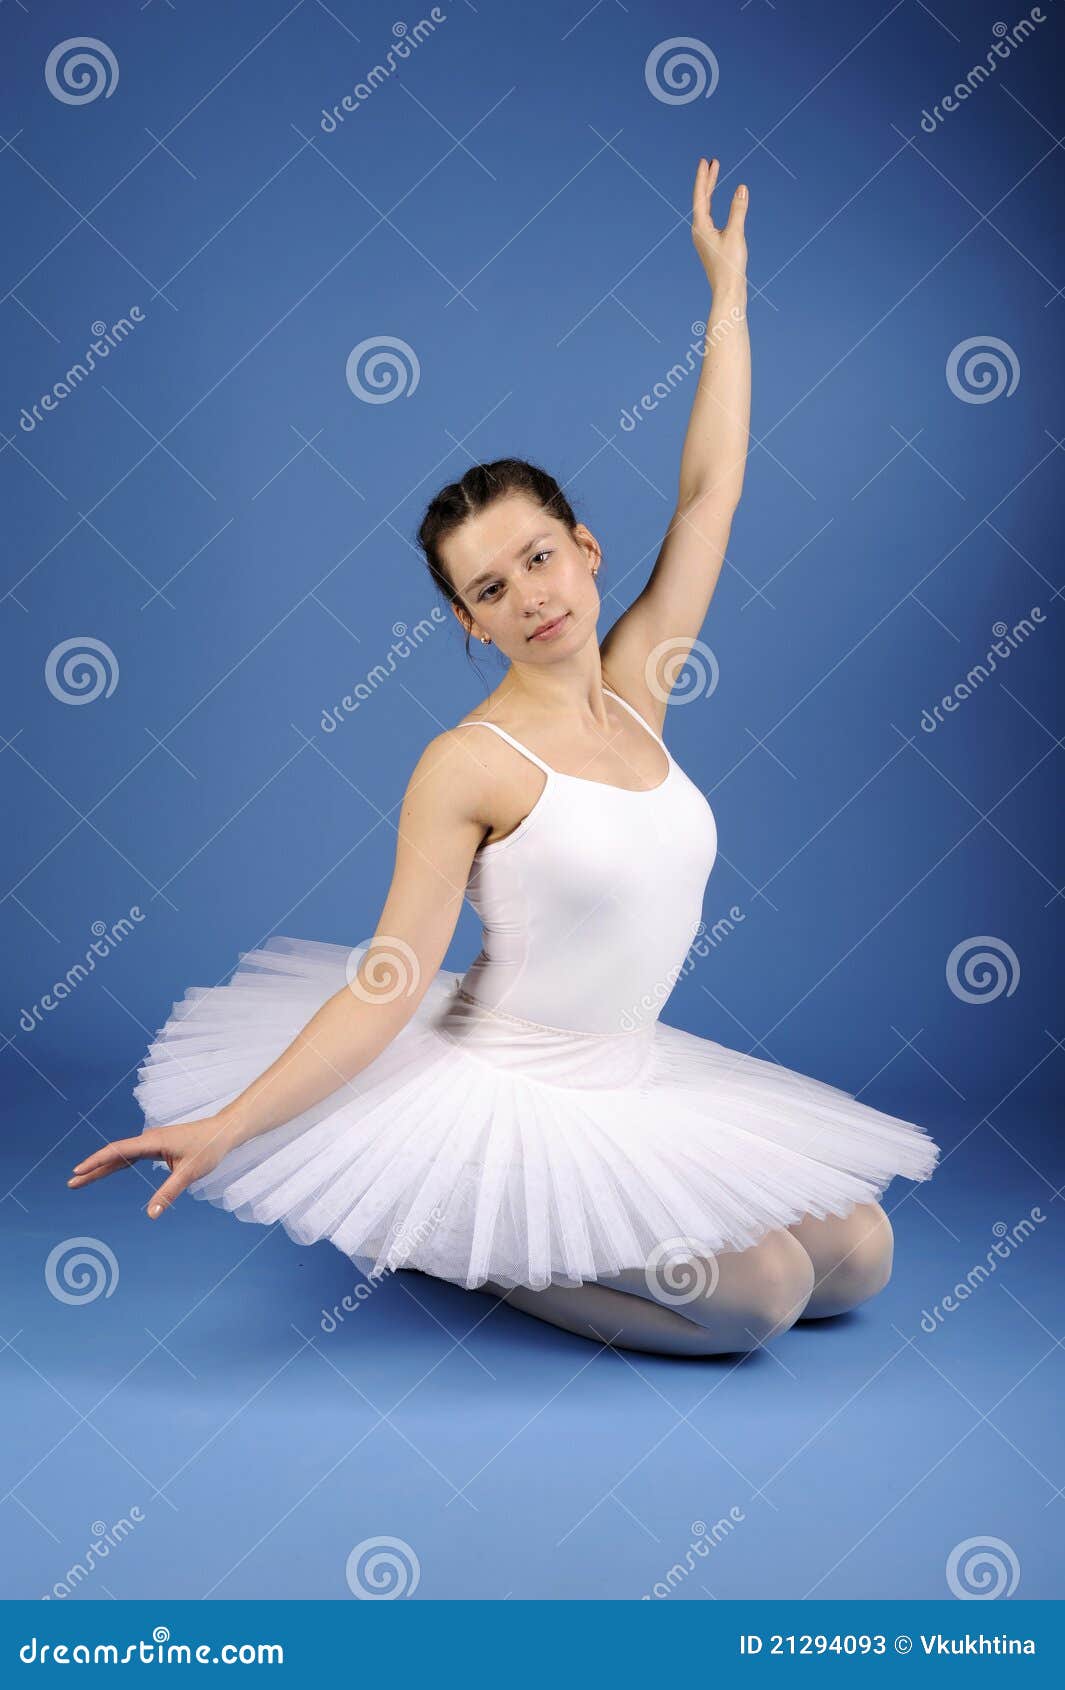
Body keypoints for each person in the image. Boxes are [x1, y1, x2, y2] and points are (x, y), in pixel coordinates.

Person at [68, 159, 938, 1357]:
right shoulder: (465, 763)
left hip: (635, 1077)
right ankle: (462, 1245)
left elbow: (709, 494)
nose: (527, 595)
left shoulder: (641, 689)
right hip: (518, 1092)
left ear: (584, 550)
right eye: (488, 587)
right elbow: (388, 978)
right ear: (470, 623)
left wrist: (728, 297)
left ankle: (508, 1237)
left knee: (859, 1257)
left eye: (538, 557)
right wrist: (233, 1121)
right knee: (757, 1300)